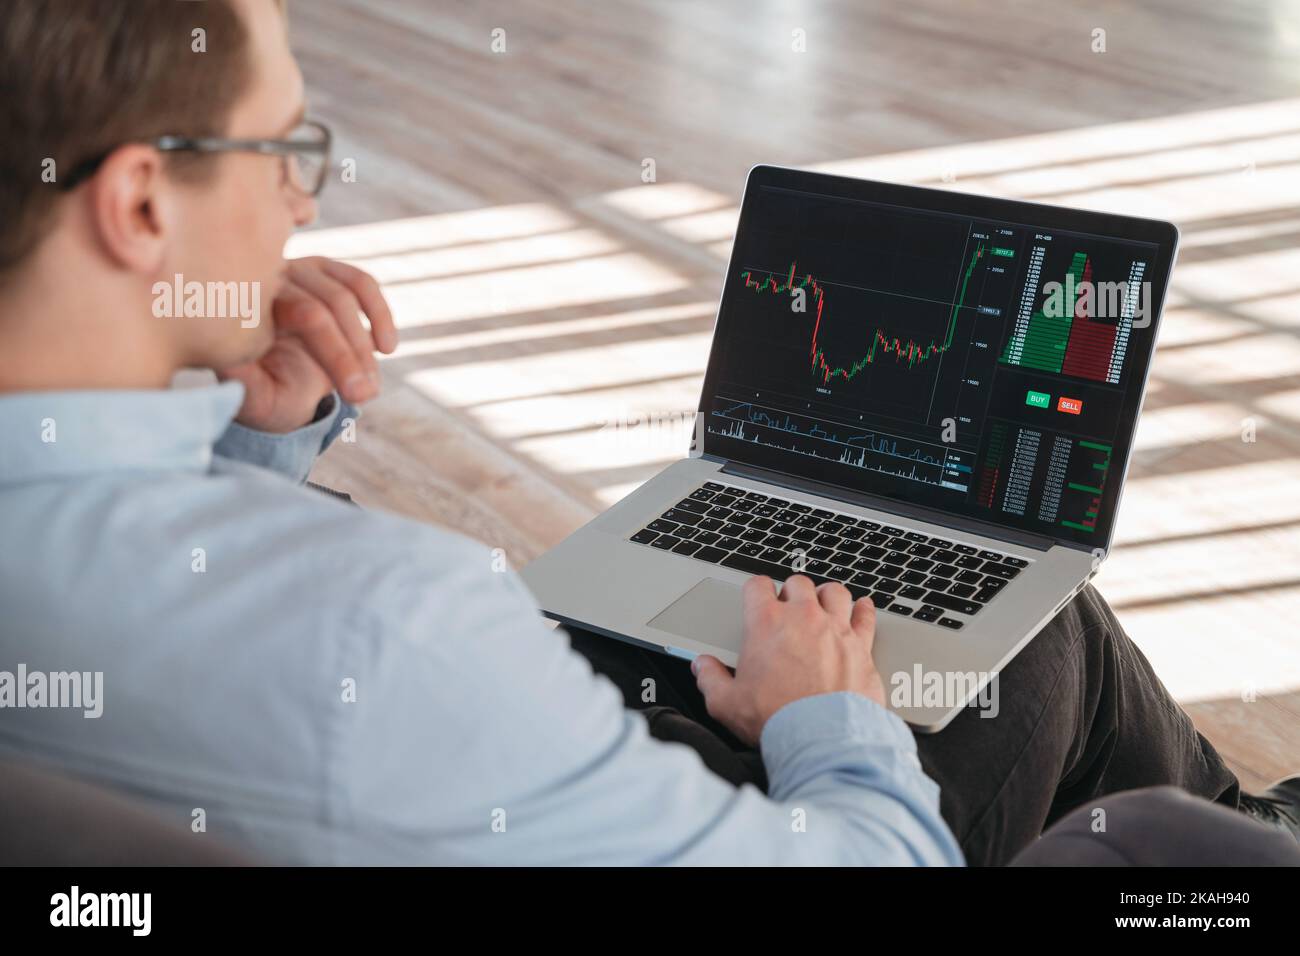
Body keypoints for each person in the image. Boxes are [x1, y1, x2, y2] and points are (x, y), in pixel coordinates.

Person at [0, 0, 1294, 866]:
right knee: (1034, 634)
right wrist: (827, 725)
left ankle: (1248, 832)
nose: (300, 194)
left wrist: (245, 439)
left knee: (986, 621)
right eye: (284, 145)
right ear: (139, 206)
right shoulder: (386, 627)